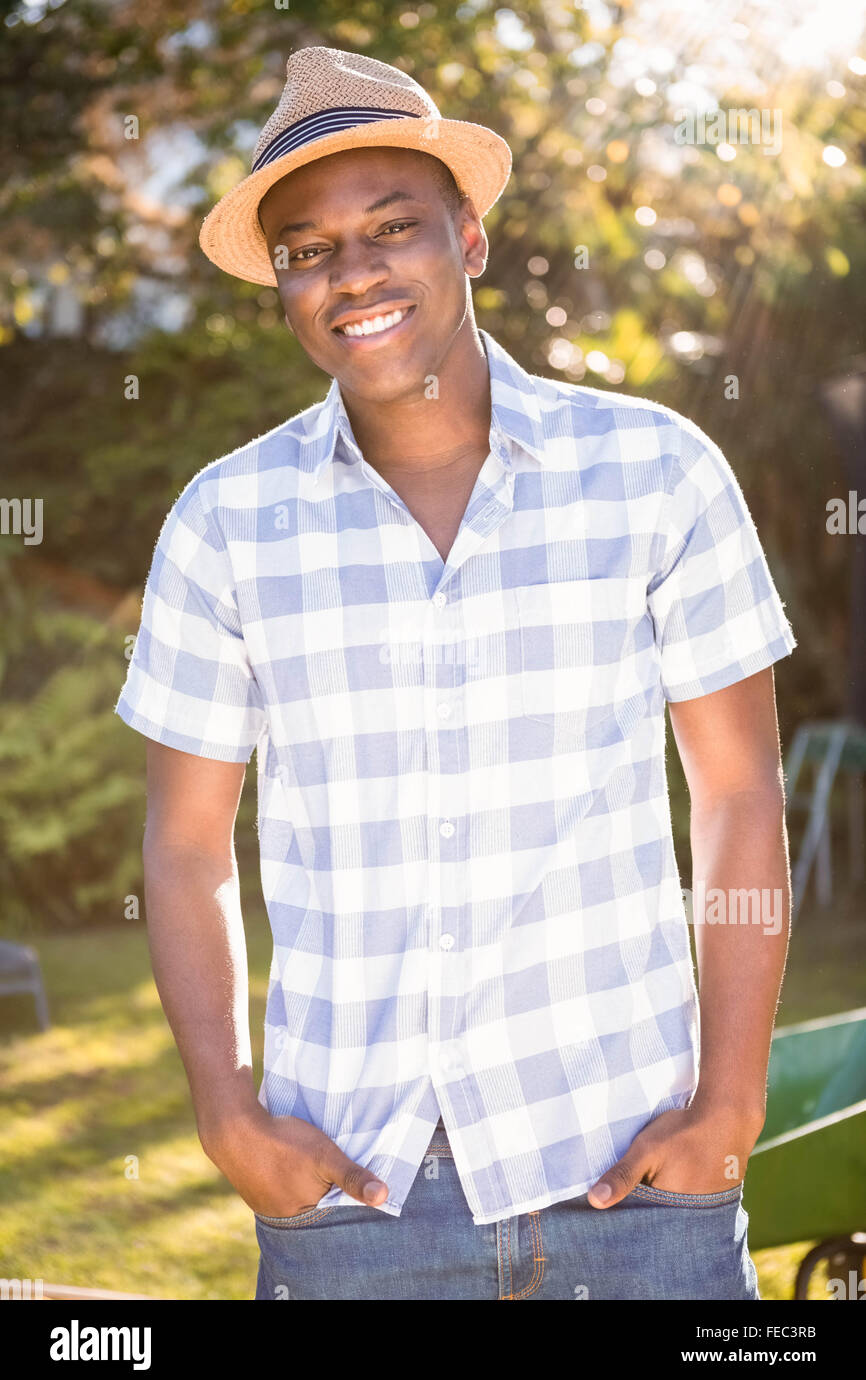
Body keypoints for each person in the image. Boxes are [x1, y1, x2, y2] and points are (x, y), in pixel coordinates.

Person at [115, 46, 797, 1300]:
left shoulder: (656, 471)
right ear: (280, 285)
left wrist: (731, 1104)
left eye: (391, 227)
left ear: (469, 240)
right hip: (350, 1202)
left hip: (634, 1186)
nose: (352, 272)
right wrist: (226, 1112)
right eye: (307, 249)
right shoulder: (223, 523)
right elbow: (188, 843)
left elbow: (740, 794)